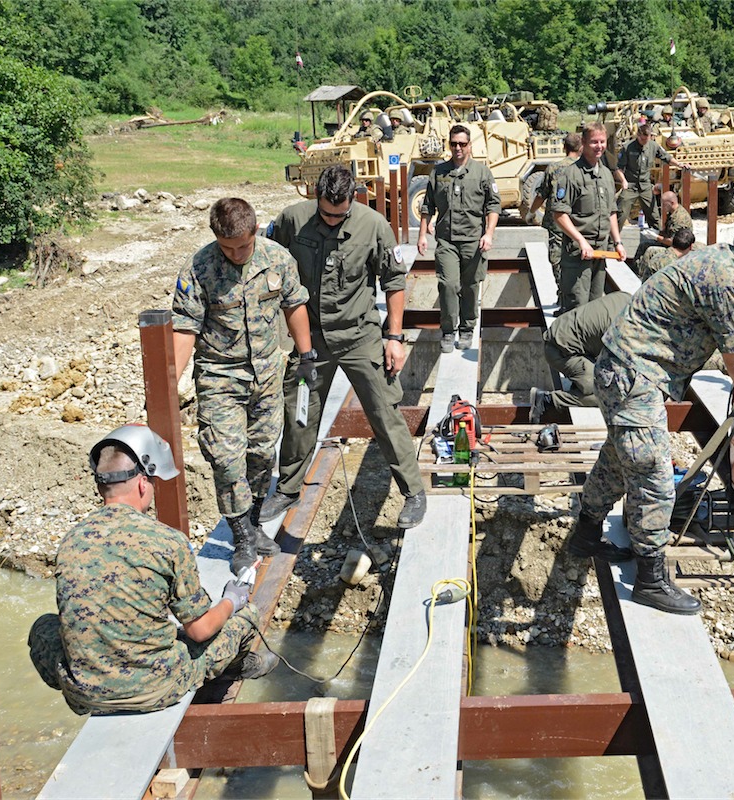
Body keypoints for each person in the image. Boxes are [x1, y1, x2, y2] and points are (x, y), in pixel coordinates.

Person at [569, 211, 734, 614]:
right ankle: (650, 579)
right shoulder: (725, 279)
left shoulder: (720, 260)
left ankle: (586, 533)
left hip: (625, 369)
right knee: (654, 477)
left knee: (620, 460)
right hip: (634, 376)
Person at [27, 425, 276, 715]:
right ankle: (236, 666)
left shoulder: (72, 540)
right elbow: (200, 630)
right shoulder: (167, 541)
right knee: (244, 616)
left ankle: (94, 683)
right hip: (156, 688)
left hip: (83, 692)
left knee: (43, 627)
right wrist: (233, 598)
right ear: (143, 485)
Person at [260, 165, 428, 530]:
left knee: (385, 412)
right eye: (325, 213)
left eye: (340, 214)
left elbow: (394, 281)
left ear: (353, 200)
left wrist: (394, 338)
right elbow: (267, 257)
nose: (333, 221)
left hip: (360, 336)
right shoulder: (293, 219)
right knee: (300, 413)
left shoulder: (373, 225)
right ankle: (287, 489)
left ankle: (413, 492)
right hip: (312, 340)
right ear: (315, 198)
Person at [172, 197, 313, 575]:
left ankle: (251, 520)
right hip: (220, 376)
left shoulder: (277, 258)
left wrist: (307, 355)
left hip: (266, 375)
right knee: (225, 458)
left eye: (243, 246)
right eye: (227, 247)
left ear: (255, 231)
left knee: (263, 454)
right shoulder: (199, 268)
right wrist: (172, 380)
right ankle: (241, 535)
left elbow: (294, 304)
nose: (235, 255)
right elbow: (185, 327)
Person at [418, 124, 502, 353]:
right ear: (449, 145)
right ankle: (448, 330)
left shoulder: (482, 173)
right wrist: (422, 235)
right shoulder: (439, 172)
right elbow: (428, 205)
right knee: (448, 284)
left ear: (469, 146)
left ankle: (467, 328)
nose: (457, 148)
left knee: (471, 286)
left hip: (474, 240)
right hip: (446, 240)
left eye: (462, 144)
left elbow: (494, 205)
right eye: (454, 144)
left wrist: (489, 233)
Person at [550, 122, 626, 314]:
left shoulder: (607, 175)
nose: (599, 146)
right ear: (583, 143)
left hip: (600, 253)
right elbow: (559, 214)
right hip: (578, 254)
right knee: (576, 308)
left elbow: (611, 212)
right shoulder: (570, 175)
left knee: (594, 309)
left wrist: (617, 242)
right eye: (594, 142)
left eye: (602, 142)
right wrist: (581, 241)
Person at [529, 290, 632, 422]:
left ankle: (580, 380)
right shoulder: (622, 329)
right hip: (562, 351)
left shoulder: (626, 297)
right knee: (609, 395)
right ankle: (547, 400)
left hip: (566, 336)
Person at [528, 132, 582, 310]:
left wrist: (532, 212)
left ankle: (563, 296)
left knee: (557, 259)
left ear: (564, 148)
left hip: (557, 223)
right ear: (581, 147)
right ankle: (574, 298)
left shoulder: (553, 168)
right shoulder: (585, 167)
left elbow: (541, 195)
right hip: (580, 223)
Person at [614, 124, 687, 230]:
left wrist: (679, 164)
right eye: (642, 139)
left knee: (653, 215)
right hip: (630, 184)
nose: (644, 142)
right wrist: (623, 181)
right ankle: (612, 242)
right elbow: (619, 169)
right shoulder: (628, 147)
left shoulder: (653, 146)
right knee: (621, 214)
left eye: (646, 139)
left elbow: (666, 157)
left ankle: (659, 238)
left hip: (645, 185)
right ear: (638, 136)